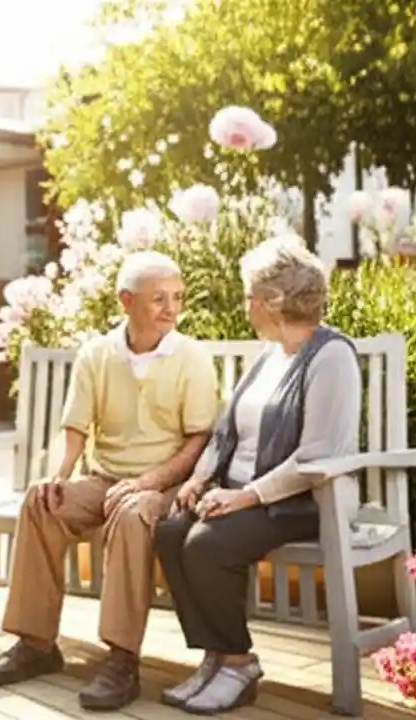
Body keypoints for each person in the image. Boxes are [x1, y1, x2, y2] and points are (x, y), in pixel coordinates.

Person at [0, 251, 221, 711]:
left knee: (131, 515)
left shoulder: (191, 357)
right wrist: (58, 474)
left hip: (168, 483)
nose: (172, 308)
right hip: (105, 477)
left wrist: (151, 481)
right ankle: (35, 645)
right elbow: (75, 429)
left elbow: (199, 441)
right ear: (125, 300)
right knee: (40, 501)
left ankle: (122, 659)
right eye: (159, 299)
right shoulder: (96, 355)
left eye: (177, 297)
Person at [153, 235, 362, 715]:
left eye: (249, 295)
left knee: (207, 545)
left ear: (272, 302)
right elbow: (227, 434)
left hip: (306, 501)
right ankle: (216, 656)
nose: (245, 305)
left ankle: (239, 664)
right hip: (244, 496)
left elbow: (316, 457)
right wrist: (199, 481)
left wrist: (244, 497)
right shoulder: (267, 355)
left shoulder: (331, 357)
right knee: (169, 531)